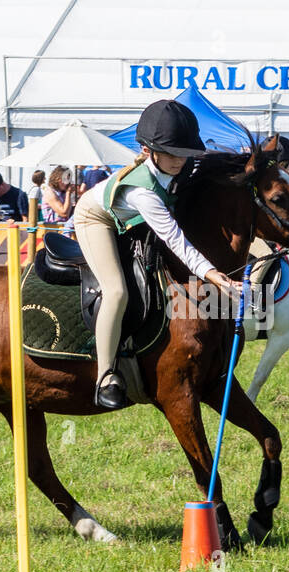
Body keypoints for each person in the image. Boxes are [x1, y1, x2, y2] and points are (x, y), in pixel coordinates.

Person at [72, 100, 240, 410]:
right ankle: (106, 375)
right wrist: (212, 273)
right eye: (173, 154)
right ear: (149, 151)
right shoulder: (142, 192)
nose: (180, 161)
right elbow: (176, 240)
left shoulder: (179, 164)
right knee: (117, 291)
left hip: (132, 218)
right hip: (95, 218)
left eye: (185, 153)